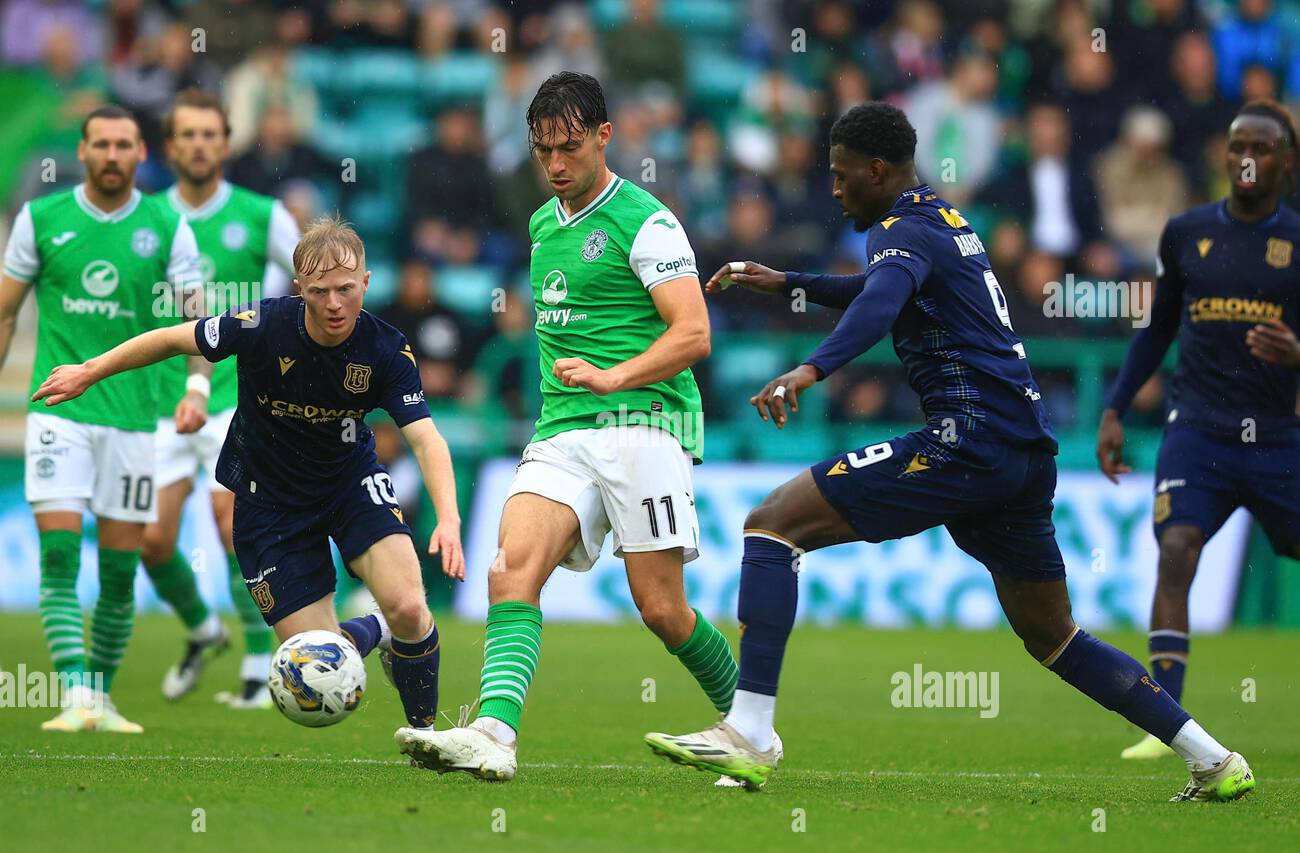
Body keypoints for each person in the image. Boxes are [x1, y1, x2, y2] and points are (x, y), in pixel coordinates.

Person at [644, 102, 1255, 804]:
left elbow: (877, 309)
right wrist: (787, 283)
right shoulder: (943, 220)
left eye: (844, 178)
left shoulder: (900, 230)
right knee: (1055, 635)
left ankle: (750, 729)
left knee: (773, 522)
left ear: (879, 171)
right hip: (1023, 452)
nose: (835, 190)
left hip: (968, 440)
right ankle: (1213, 758)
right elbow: (879, 293)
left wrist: (808, 370)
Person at [395, 72, 749, 782]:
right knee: (509, 568)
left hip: (643, 422)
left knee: (661, 608)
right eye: (543, 151)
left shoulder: (645, 222)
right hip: (563, 430)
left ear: (604, 136)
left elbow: (695, 333)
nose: (556, 165)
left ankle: (750, 724)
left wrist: (616, 376)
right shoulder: (539, 223)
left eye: (570, 147)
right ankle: (494, 734)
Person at [31, 215, 466, 747]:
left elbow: (426, 439)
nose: (335, 304)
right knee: (312, 665)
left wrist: (448, 518)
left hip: (349, 483)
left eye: (347, 290)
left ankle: (426, 734)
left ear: (367, 284)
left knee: (409, 605)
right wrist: (89, 370)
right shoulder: (259, 323)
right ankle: (373, 630)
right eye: (321, 291)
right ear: (299, 287)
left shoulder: (386, 348)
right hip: (268, 506)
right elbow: (172, 339)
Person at [1097, 100, 1300, 760]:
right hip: (1199, 432)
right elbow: (1158, 328)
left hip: (1277, 434)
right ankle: (1168, 722)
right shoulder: (1185, 232)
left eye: (1263, 147)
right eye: (1238, 143)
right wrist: (1115, 407)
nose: (1248, 156)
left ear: (1287, 163)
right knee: (1177, 547)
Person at [0, 103, 202, 732]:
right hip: (59, 411)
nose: (112, 156)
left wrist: (196, 386)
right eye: (101, 145)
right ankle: (76, 697)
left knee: (119, 569)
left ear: (142, 153)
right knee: (59, 556)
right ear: (81, 152)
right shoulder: (41, 218)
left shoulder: (169, 225)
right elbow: (6, 311)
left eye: (124, 145)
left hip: (136, 420)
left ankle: (102, 697)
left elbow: (197, 322)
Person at [148, 87, 301, 709]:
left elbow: (310, 282)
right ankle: (202, 630)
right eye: (188, 134)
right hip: (154, 402)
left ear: (227, 143)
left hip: (237, 401)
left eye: (211, 134)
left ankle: (260, 662)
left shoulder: (264, 215)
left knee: (230, 527)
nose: (200, 144)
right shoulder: (148, 216)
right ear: (171, 146)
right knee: (152, 543)